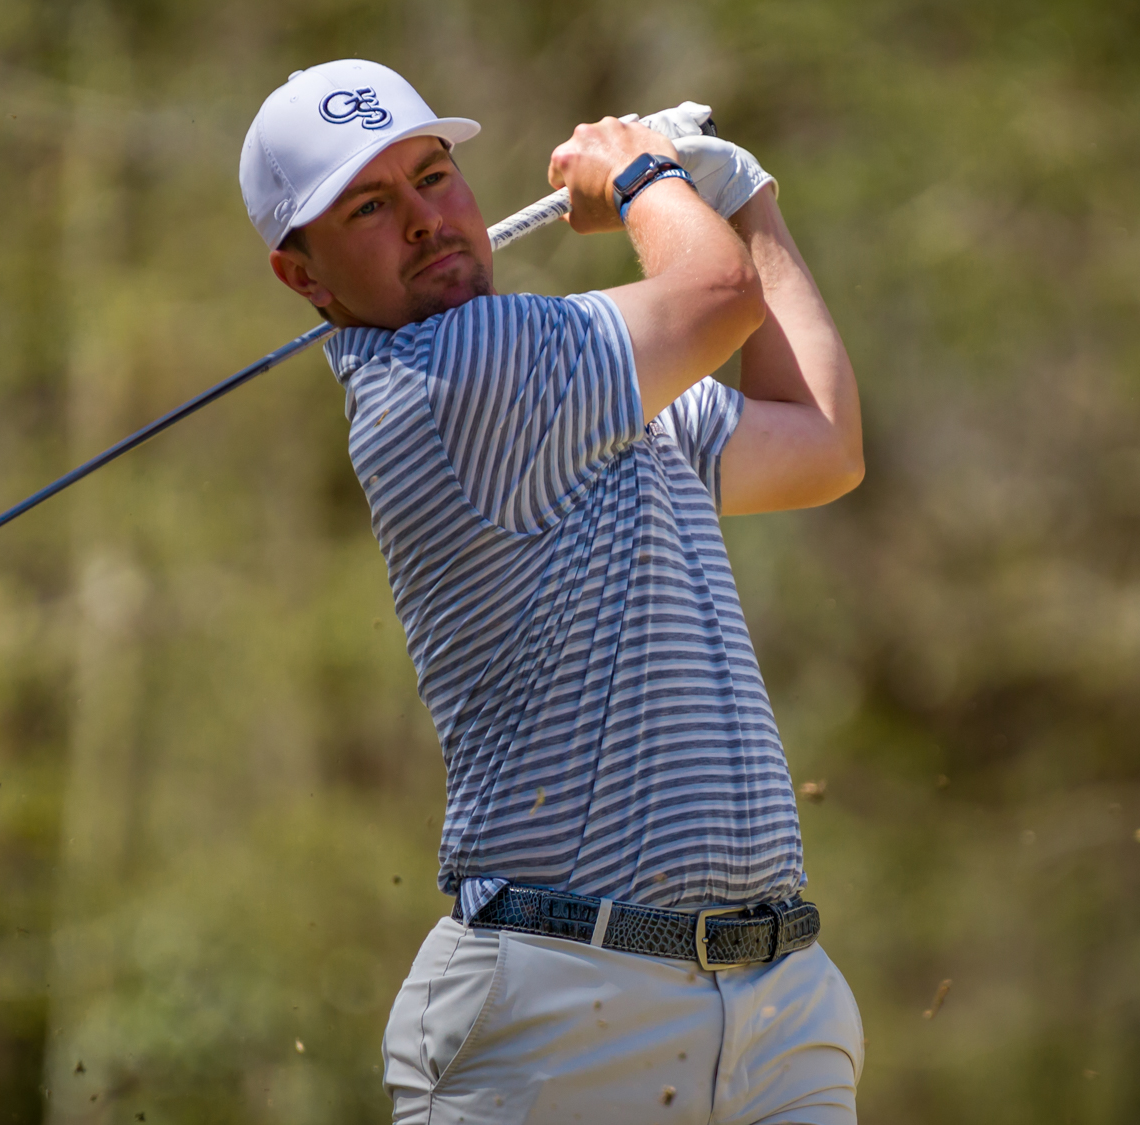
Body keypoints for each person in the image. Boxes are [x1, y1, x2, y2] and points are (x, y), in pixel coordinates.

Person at [239, 59, 865, 1124]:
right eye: (370, 207)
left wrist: (745, 197)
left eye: (433, 176)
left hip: (772, 1007)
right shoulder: (447, 376)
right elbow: (713, 297)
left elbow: (819, 448)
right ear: (303, 276)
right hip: (560, 1016)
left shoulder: (589, 379)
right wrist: (641, 178)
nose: (426, 222)